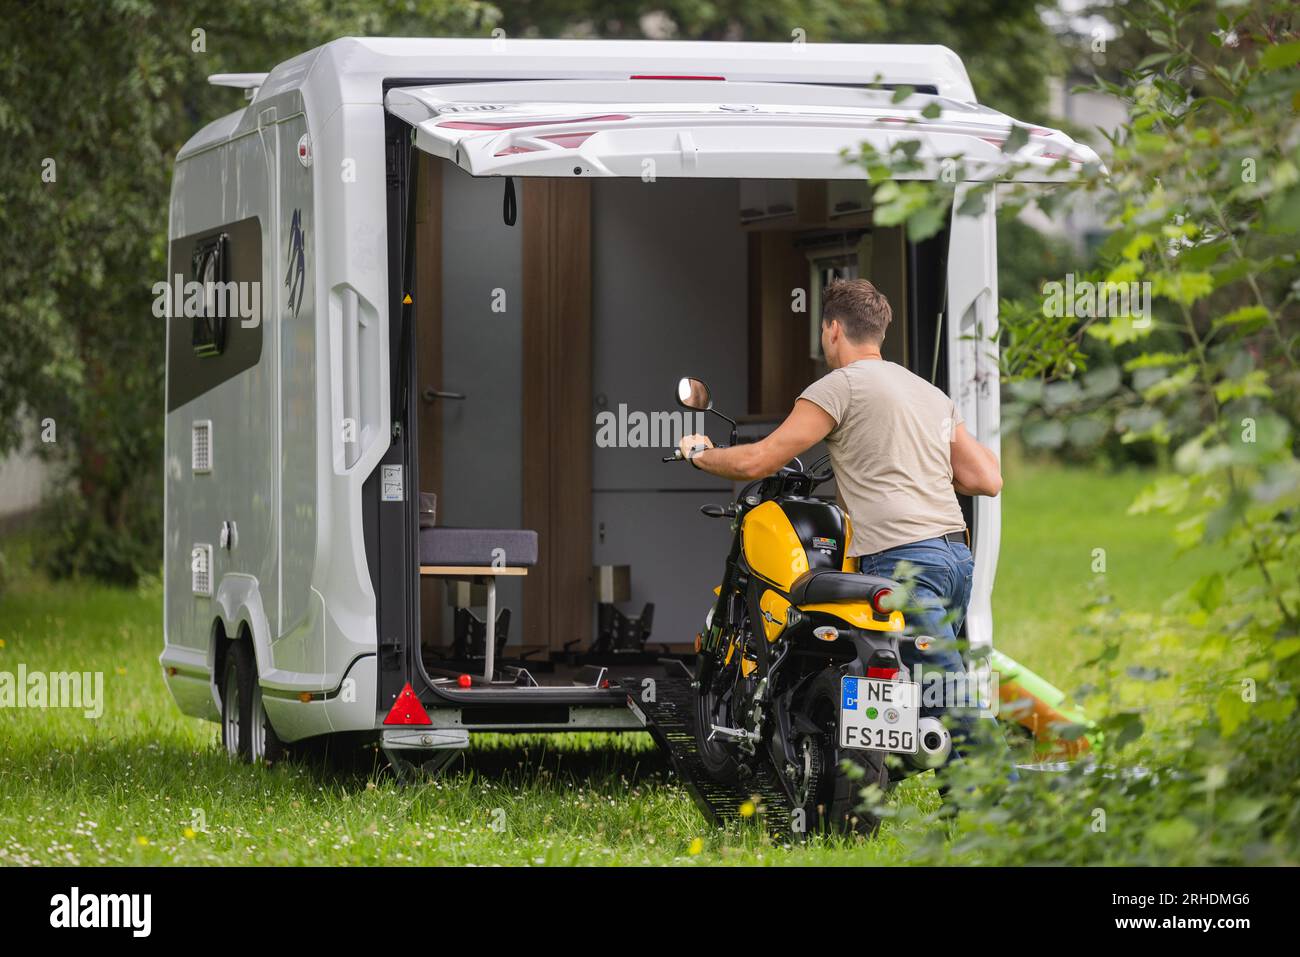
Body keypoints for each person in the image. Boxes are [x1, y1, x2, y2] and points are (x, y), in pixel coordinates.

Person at [678, 278, 1006, 779]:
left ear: (832, 329)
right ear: (879, 332)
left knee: (952, 702)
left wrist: (702, 456)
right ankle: (966, 811)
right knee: (938, 698)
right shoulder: (927, 392)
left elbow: (760, 460)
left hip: (902, 562)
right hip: (955, 560)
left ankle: (1006, 811)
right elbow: (985, 479)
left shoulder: (839, 387)